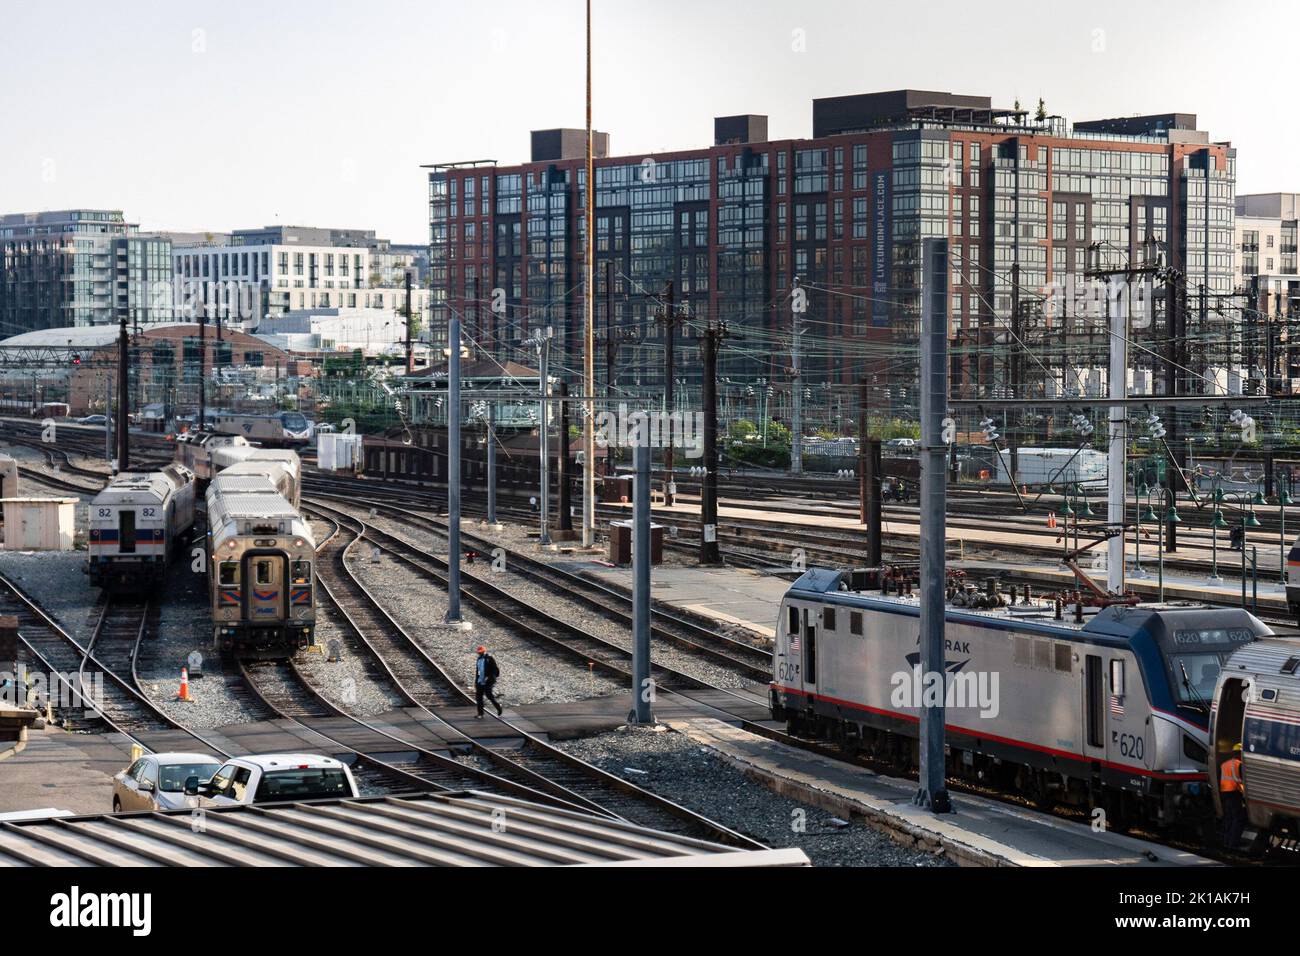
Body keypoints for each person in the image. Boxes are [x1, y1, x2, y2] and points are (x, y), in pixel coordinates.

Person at [1220, 742, 1245, 849]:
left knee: (1229, 818)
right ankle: (1233, 844)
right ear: (1240, 753)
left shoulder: (1224, 764)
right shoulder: (1239, 764)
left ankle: (1226, 842)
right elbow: (1242, 780)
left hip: (1224, 793)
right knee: (1238, 819)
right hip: (1235, 793)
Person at [474, 645, 502, 718]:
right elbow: (478, 671)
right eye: (479, 653)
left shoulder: (489, 658)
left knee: (489, 696)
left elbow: (494, 669)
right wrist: (476, 681)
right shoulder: (478, 659)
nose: (480, 654)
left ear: (484, 651)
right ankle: (480, 714)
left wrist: (490, 678)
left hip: (488, 681)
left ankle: (498, 707)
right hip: (480, 681)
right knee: (479, 698)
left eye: (481, 652)